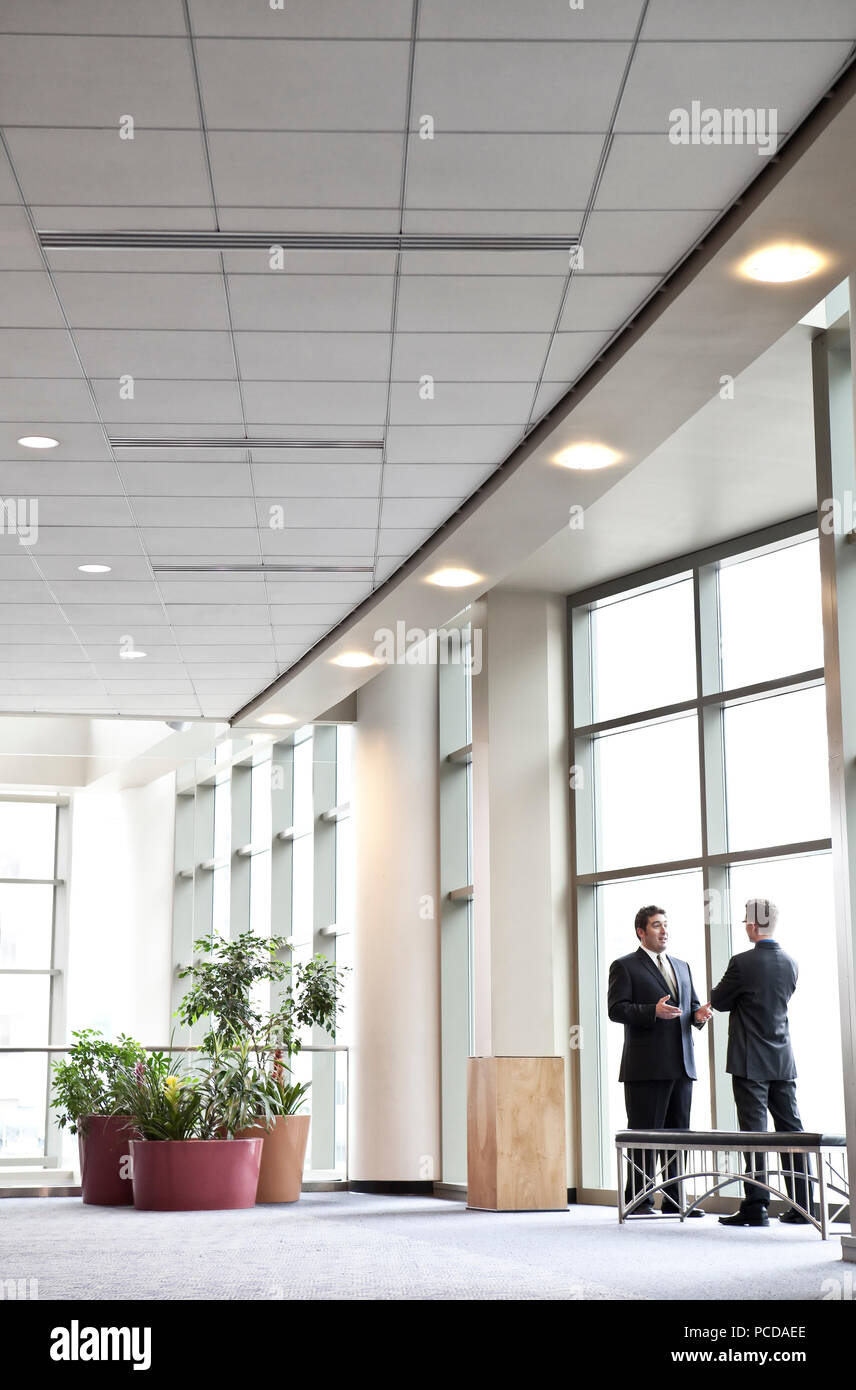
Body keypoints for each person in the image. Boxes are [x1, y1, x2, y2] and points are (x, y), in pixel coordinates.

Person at [710, 898, 811, 1228]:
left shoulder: (742, 962)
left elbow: (721, 1000)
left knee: (754, 1134)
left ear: (752, 925)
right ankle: (803, 1206)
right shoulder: (791, 962)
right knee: (792, 1131)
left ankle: (757, 1205)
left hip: (750, 1060)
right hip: (783, 1057)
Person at [608, 905, 711, 1216]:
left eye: (666, 925)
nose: (664, 931)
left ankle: (675, 1199)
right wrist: (651, 1010)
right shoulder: (625, 966)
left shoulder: (682, 966)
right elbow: (617, 1010)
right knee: (645, 1134)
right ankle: (638, 1200)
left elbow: (690, 1007)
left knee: (678, 1135)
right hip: (646, 1067)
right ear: (641, 931)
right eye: (656, 926)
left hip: (682, 1064)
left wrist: (699, 1016)